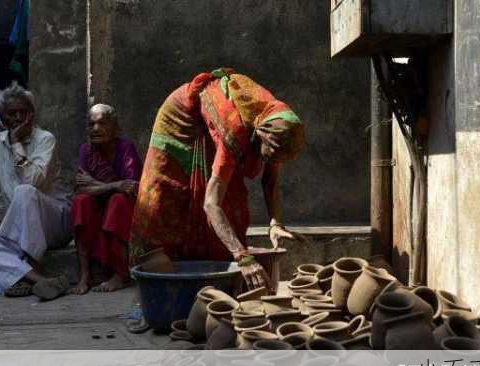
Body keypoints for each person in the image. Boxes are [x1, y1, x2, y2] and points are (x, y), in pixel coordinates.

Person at [129, 68, 305, 291]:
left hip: (215, 127)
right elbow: (211, 204)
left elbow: (270, 180)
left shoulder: (279, 124)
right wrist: (242, 257)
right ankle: (149, 295)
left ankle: (212, 284)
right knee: (162, 200)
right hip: (180, 117)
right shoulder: (236, 131)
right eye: (267, 156)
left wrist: (275, 223)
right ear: (260, 135)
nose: (268, 162)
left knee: (233, 206)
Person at [0, 82, 72, 300]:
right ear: (1, 117)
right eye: (11, 113)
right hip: (22, 224)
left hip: (55, 222)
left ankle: (27, 268)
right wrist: (5, 222)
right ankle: (39, 279)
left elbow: (32, 180)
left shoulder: (45, 139)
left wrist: (17, 145)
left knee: (25, 191)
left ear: (32, 114)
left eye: (23, 112)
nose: (18, 118)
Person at [70, 104, 141, 294]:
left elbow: (131, 187)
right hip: (98, 208)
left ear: (115, 128)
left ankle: (121, 274)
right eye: (91, 124)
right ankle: (85, 275)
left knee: (118, 201)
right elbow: (82, 186)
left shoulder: (125, 148)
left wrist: (97, 185)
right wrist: (114, 185)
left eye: (102, 123)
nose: (95, 129)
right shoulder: (86, 150)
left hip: (122, 211)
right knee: (81, 202)